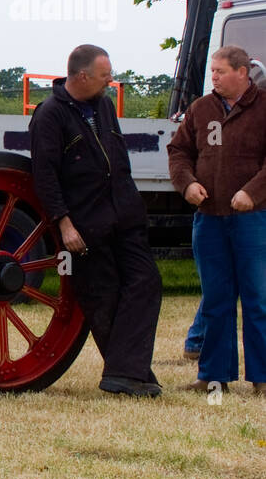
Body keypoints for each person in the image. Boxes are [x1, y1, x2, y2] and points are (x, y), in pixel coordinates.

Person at [28, 44, 162, 396]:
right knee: (103, 297)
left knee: (146, 283)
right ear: (82, 76)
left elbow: (118, 158)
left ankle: (124, 372)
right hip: (85, 224)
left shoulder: (103, 104)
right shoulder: (49, 115)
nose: (110, 81)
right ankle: (132, 376)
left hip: (124, 215)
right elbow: (44, 174)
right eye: (105, 76)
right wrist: (64, 223)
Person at [167, 45, 266, 395]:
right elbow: (179, 151)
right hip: (208, 220)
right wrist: (187, 183)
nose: (214, 78)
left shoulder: (263, 107)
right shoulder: (201, 108)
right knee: (216, 298)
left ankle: (262, 380)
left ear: (242, 72)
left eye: (220, 72)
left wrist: (253, 192)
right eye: (212, 72)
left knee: (258, 299)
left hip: (254, 220)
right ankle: (213, 377)